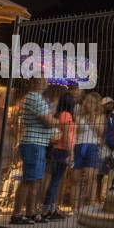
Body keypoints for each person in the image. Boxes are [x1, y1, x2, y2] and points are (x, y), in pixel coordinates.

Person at [10, 79, 54, 225]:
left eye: (44, 80)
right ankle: (16, 214)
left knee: (35, 180)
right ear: (33, 83)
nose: (43, 83)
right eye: (39, 80)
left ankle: (30, 213)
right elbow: (48, 121)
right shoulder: (34, 97)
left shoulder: (37, 98)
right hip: (33, 143)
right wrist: (61, 122)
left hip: (38, 143)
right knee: (28, 180)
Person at [41, 88, 76, 220]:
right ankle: (48, 210)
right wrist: (71, 153)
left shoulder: (60, 114)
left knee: (55, 181)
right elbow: (66, 135)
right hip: (62, 151)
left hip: (58, 150)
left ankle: (50, 209)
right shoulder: (67, 115)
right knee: (55, 181)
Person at [71, 92, 104, 212]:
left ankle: (88, 204)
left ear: (96, 105)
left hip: (92, 146)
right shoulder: (78, 114)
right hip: (79, 145)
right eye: (88, 101)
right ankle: (74, 207)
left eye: (92, 102)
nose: (89, 104)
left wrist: (92, 118)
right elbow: (75, 130)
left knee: (90, 176)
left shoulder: (100, 116)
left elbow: (100, 133)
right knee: (75, 178)